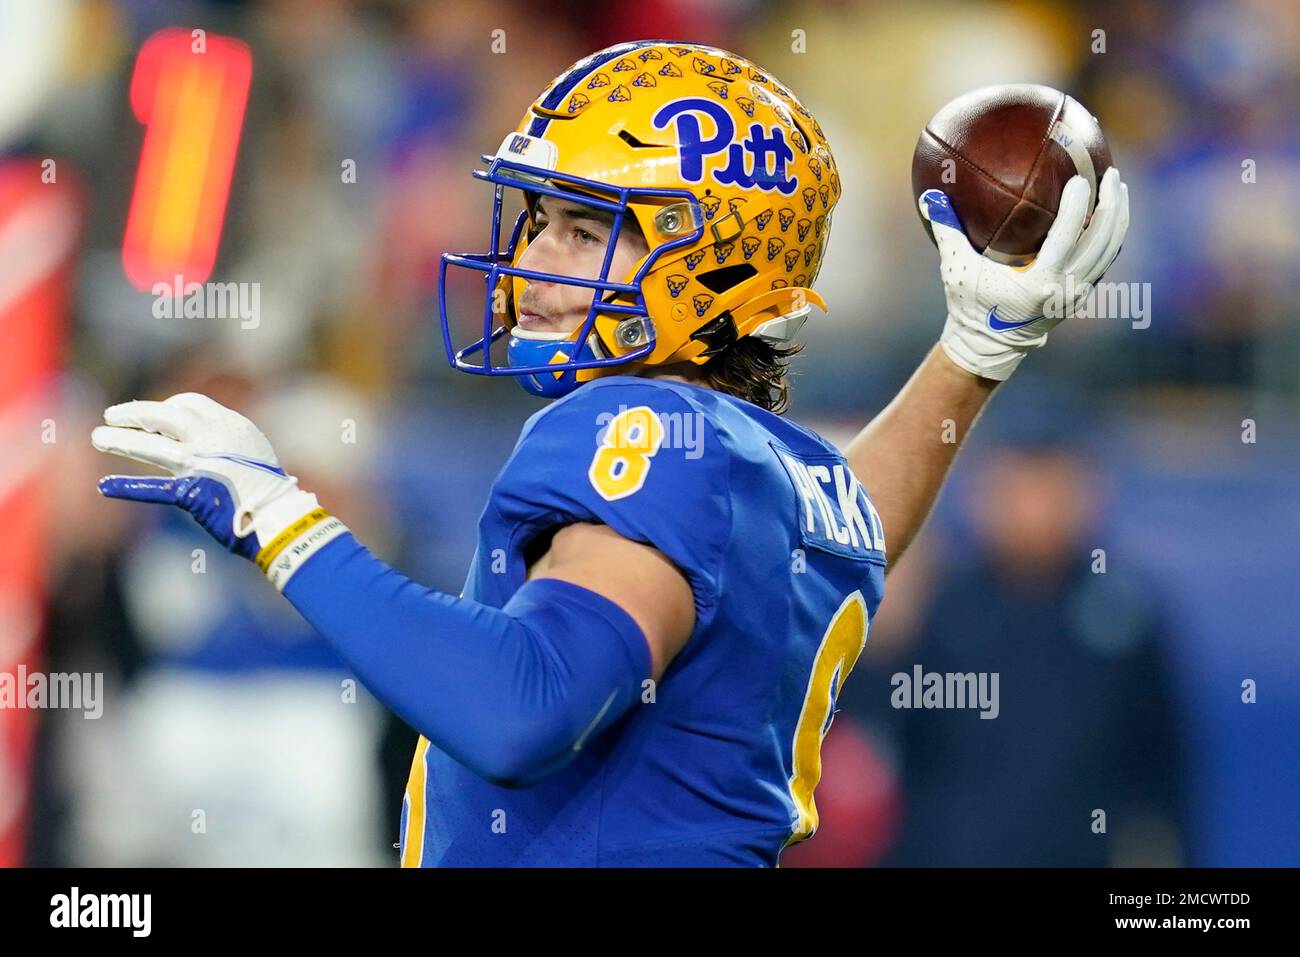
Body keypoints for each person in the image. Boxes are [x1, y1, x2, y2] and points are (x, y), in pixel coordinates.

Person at [91, 40, 1128, 866]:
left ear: (713, 260)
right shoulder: (769, 465)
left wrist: (281, 523)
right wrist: (974, 354)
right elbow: (846, 520)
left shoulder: (638, 432)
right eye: (538, 221)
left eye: (585, 233)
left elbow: (520, 709)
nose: (532, 262)